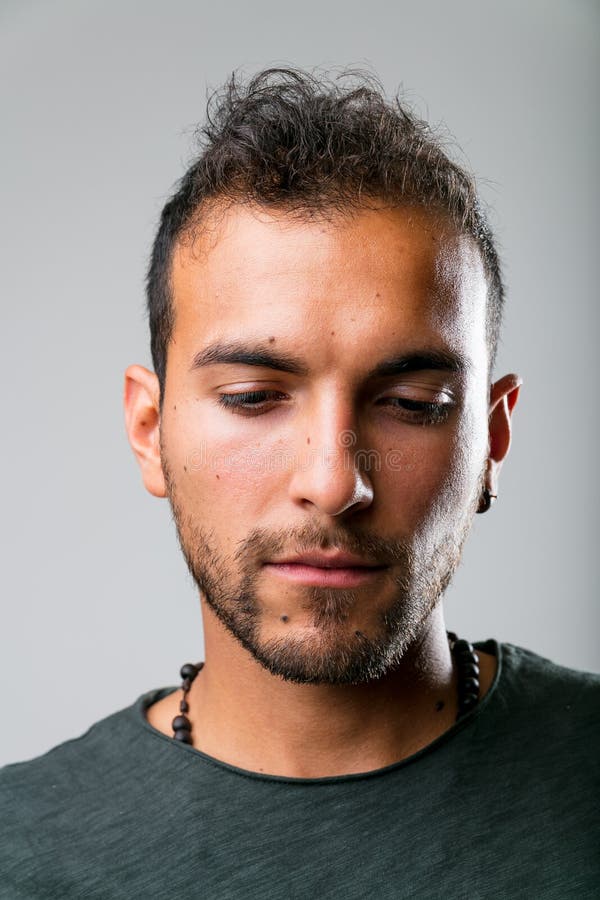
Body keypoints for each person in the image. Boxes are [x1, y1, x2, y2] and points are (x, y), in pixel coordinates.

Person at [1, 67, 598, 899]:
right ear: (149, 431)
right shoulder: (20, 855)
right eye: (253, 399)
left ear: (493, 437)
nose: (333, 481)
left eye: (411, 403)